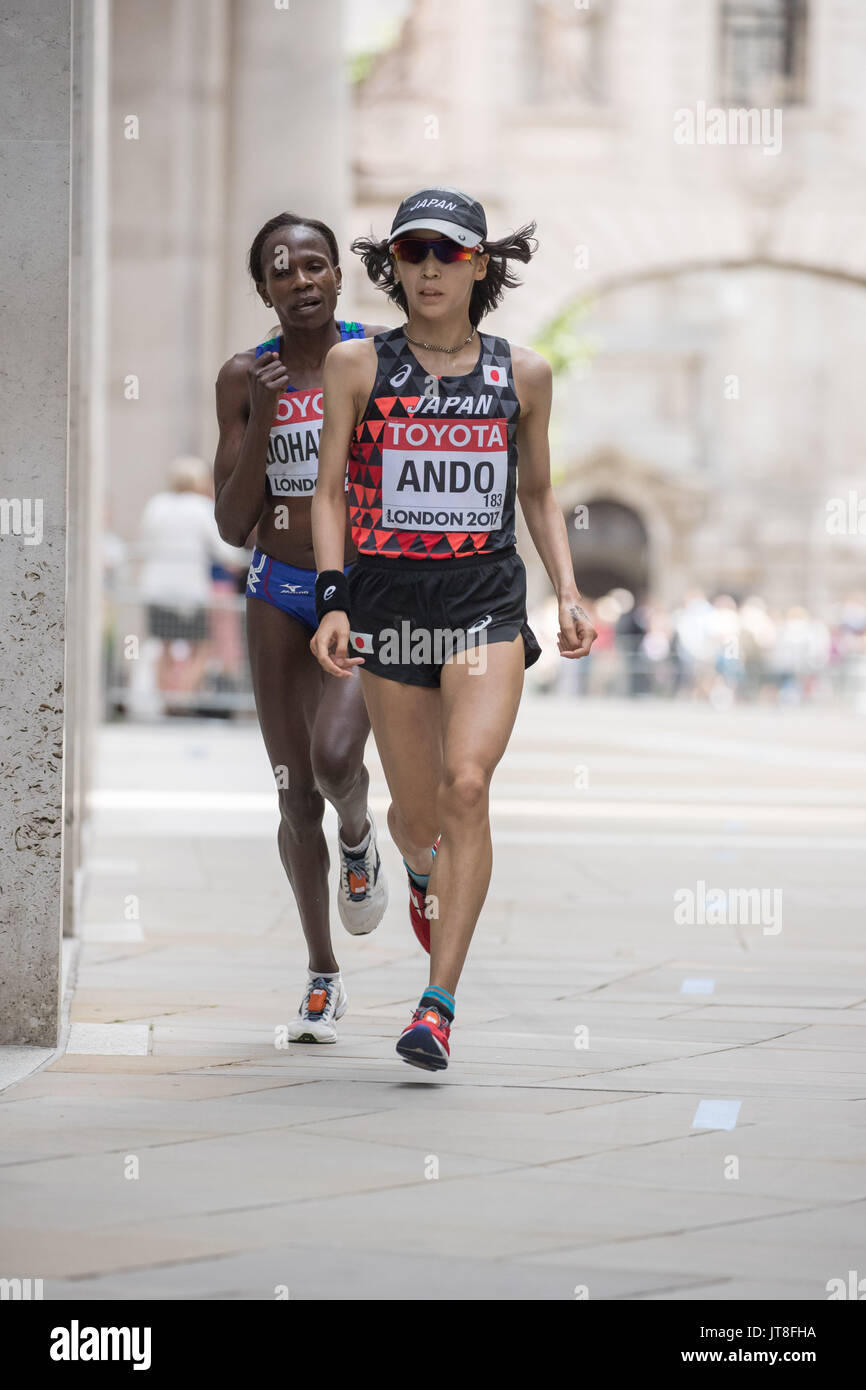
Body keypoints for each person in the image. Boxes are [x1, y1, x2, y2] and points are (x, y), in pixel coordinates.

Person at [310, 186, 597, 1070]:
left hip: (484, 606)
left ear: (481, 264)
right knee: (417, 817)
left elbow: (539, 494)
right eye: (411, 253)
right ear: (392, 266)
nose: (429, 267)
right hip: (391, 610)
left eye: (448, 252)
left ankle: (435, 1006)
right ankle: (424, 872)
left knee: (467, 783)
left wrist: (570, 592)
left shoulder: (526, 373)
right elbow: (327, 493)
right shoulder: (358, 367)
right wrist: (333, 599)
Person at [214, 212, 389, 1044]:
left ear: (337, 276)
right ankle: (322, 973)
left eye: (315, 265)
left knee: (333, 759)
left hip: (358, 591)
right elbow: (230, 520)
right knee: (291, 796)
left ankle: (361, 834)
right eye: (283, 271)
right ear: (264, 289)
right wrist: (261, 409)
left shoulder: (379, 358)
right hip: (275, 588)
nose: (302, 281)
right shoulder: (246, 374)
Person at [138, 456, 246, 712]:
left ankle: (166, 700)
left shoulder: (156, 505)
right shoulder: (201, 507)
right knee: (200, 647)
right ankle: (183, 699)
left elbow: (144, 541)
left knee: (162, 645)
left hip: (155, 588)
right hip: (190, 591)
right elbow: (224, 551)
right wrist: (246, 559)